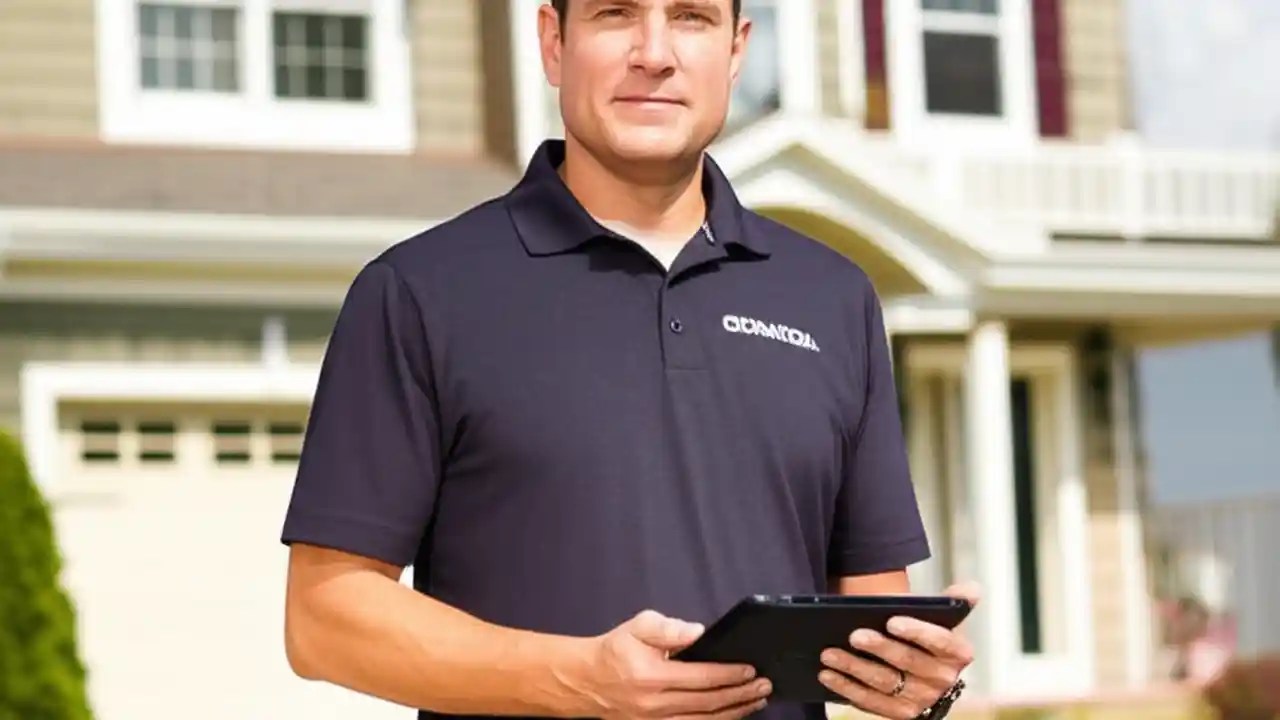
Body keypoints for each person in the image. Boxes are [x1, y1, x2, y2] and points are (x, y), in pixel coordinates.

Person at [279, 1, 979, 719]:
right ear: (554, 42)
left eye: (690, 18)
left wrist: (915, 677)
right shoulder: (420, 293)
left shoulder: (831, 298)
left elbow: (872, 610)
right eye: (617, 14)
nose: (654, 52)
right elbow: (323, 621)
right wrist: (573, 678)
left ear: (737, 50)